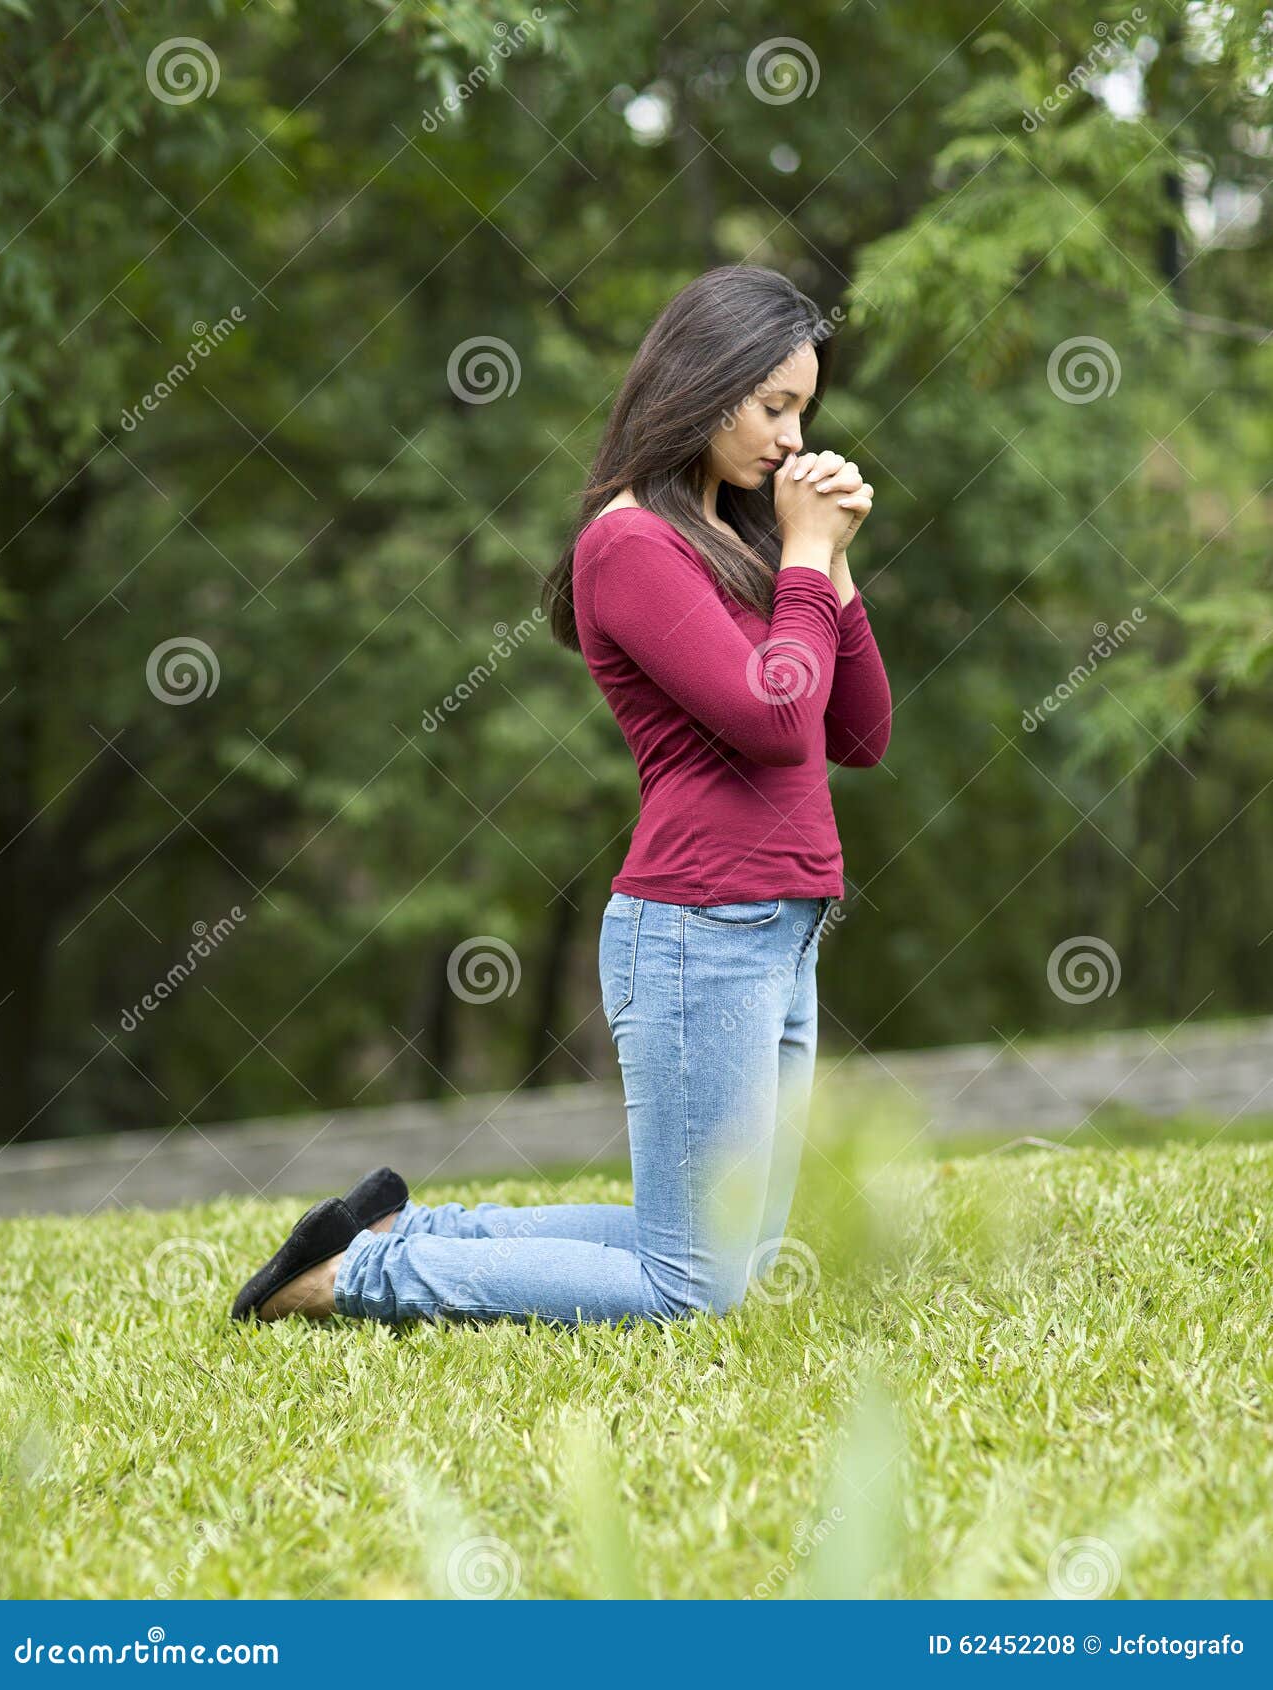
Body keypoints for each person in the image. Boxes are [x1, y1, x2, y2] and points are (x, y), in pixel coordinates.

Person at [230, 264, 892, 1330]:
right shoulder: (629, 545)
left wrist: (830, 564)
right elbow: (774, 719)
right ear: (704, 382)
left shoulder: (738, 540)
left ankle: (407, 1235)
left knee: (740, 1253)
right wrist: (808, 556)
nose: (790, 435)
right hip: (698, 929)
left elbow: (857, 732)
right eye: (774, 405)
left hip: (780, 925)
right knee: (693, 1289)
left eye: (803, 410)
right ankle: (349, 1278)